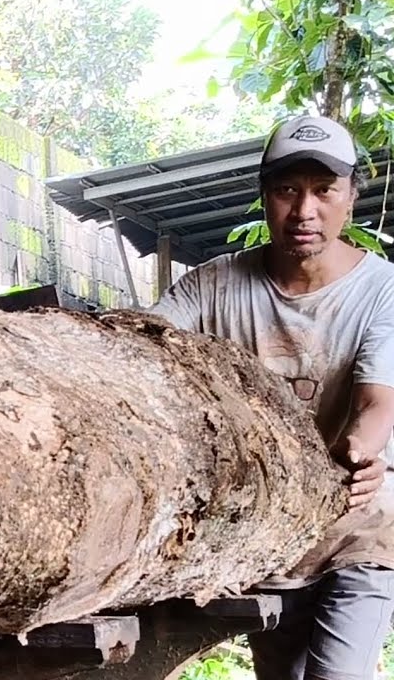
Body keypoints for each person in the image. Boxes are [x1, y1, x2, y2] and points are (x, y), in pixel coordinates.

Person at [149, 115, 394, 680]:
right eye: (287, 190)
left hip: (359, 528)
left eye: (324, 190)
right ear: (264, 196)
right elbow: (144, 344)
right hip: (270, 539)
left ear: (351, 197)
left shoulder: (382, 290)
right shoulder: (210, 286)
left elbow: (378, 401)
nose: (304, 210)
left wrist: (361, 452)